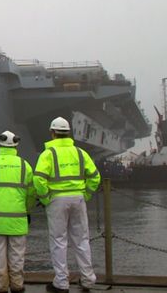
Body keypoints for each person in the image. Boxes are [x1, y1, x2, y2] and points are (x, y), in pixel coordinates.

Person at [33, 117, 101, 293]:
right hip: (78, 198)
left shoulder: (48, 154)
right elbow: (95, 177)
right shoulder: (80, 153)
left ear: (52, 133)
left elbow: (38, 178)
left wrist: (45, 197)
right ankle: (88, 279)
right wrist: (86, 193)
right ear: (69, 132)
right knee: (82, 240)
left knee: (58, 241)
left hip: (57, 200)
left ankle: (62, 282)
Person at [0, 131, 35, 293]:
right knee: (17, 254)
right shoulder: (25, 165)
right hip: (18, 218)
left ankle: (1, 286)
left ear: (0, 145)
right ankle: (17, 285)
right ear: (16, 145)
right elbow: (31, 193)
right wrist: (27, 211)